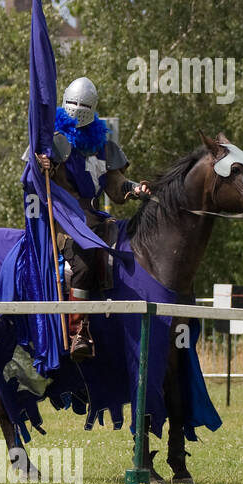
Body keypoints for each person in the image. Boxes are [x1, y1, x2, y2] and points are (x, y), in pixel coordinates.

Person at [34, 76, 150, 361]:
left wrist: (134, 189)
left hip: (94, 215)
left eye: (83, 105)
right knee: (84, 260)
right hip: (62, 216)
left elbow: (115, 181)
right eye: (73, 103)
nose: (77, 109)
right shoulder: (53, 139)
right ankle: (78, 331)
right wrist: (44, 165)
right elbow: (33, 174)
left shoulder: (102, 144)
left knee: (127, 250)